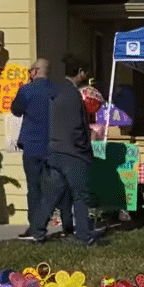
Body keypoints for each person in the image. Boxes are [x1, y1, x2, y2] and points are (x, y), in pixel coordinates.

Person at [10, 58, 72, 241]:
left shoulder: (27, 90)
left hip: (32, 146)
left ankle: (36, 228)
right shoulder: (58, 90)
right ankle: (68, 226)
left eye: (30, 70)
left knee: (34, 188)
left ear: (35, 71)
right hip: (55, 146)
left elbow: (16, 110)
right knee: (60, 188)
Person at [46, 55, 102, 246]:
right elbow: (76, 127)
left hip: (55, 150)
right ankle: (84, 235)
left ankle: (39, 230)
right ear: (80, 73)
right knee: (80, 196)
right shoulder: (72, 95)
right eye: (86, 73)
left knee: (57, 194)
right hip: (73, 153)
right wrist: (85, 148)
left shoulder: (56, 91)